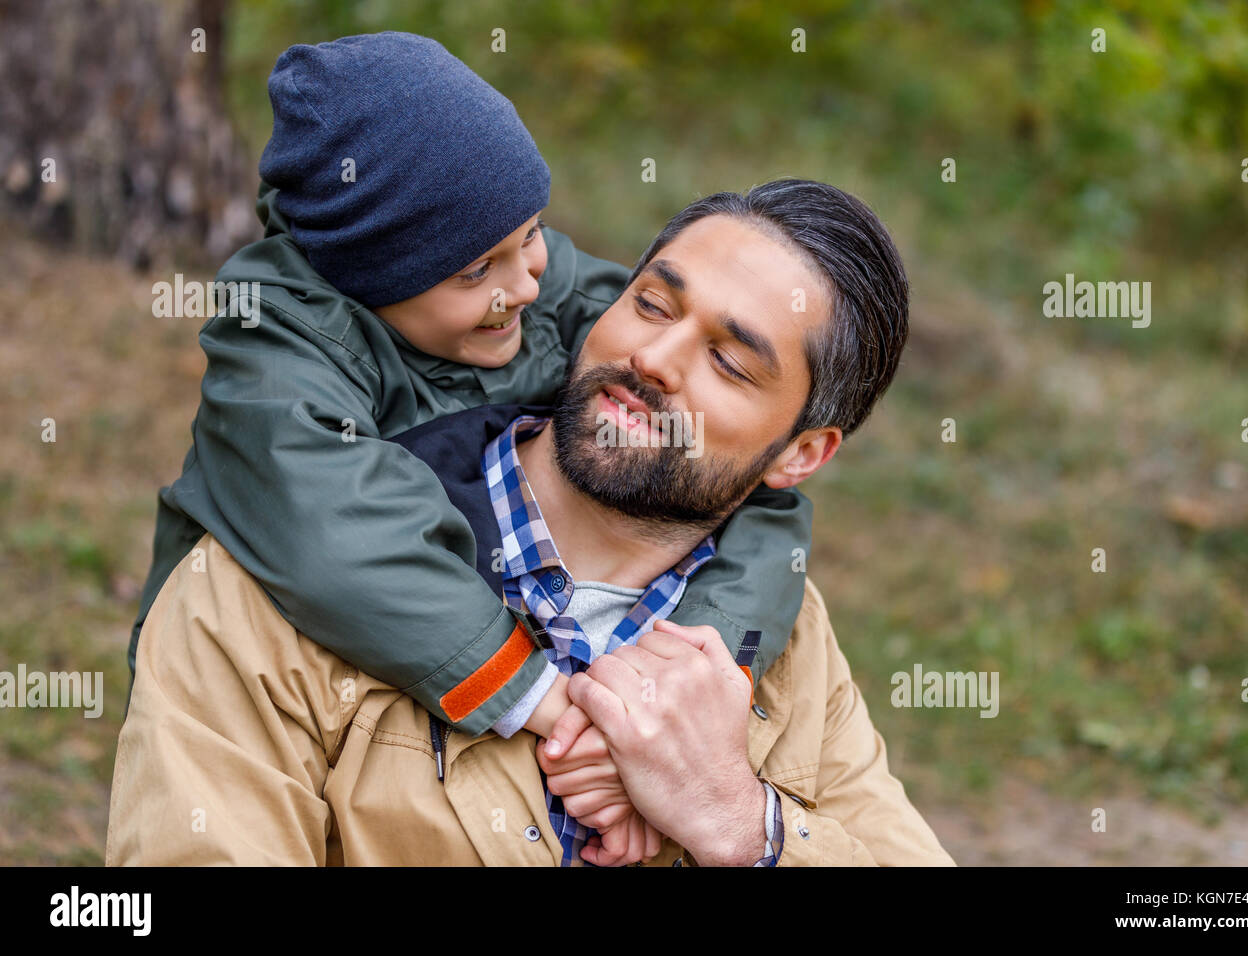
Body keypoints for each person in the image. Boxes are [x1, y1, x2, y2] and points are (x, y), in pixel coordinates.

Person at [107, 179, 953, 867]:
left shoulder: (789, 646)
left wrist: (741, 821)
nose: (653, 360)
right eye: (652, 306)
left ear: (800, 455)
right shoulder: (264, 582)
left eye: (729, 362)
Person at [127, 33, 812, 863]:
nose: (523, 282)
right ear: (373, 279)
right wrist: (554, 708)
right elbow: (327, 528)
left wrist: (688, 687)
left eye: (532, 234)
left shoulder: (536, 286)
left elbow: (758, 503)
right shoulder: (275, 346)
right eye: (476, 270)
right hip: (282, 699)